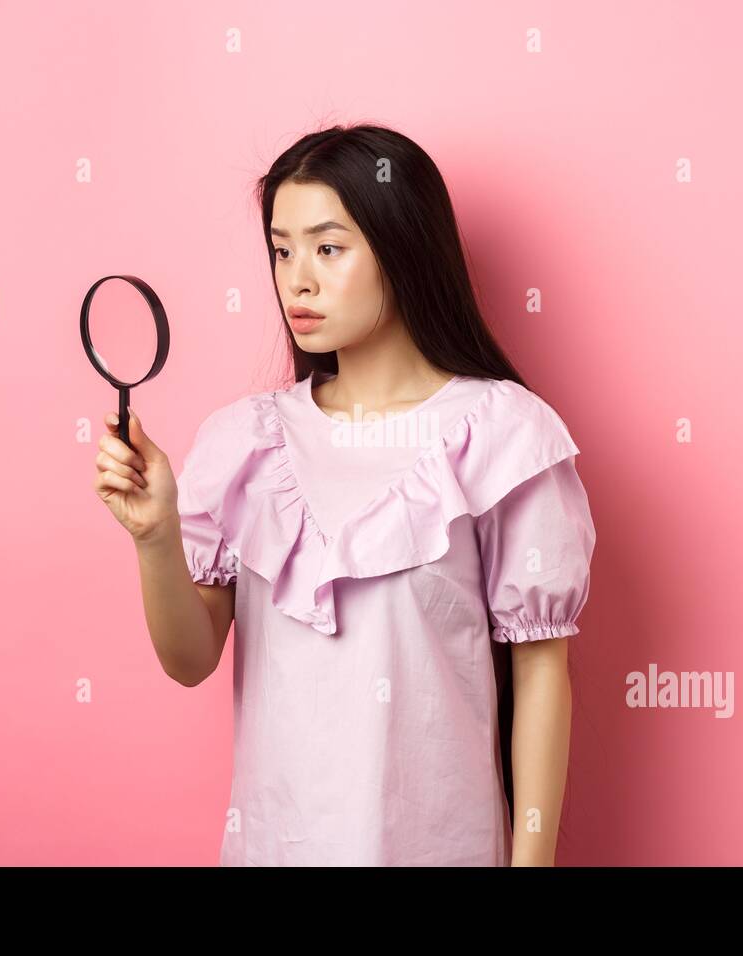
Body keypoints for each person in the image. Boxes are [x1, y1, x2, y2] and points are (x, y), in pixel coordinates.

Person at [93, 124, 597, 866]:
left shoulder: (501, 435)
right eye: (281, 249)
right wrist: (156, 536)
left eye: (328, 248)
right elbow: (190, 659)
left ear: (403, 248)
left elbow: (542, 669)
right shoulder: (245, 442)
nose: (297, 279)